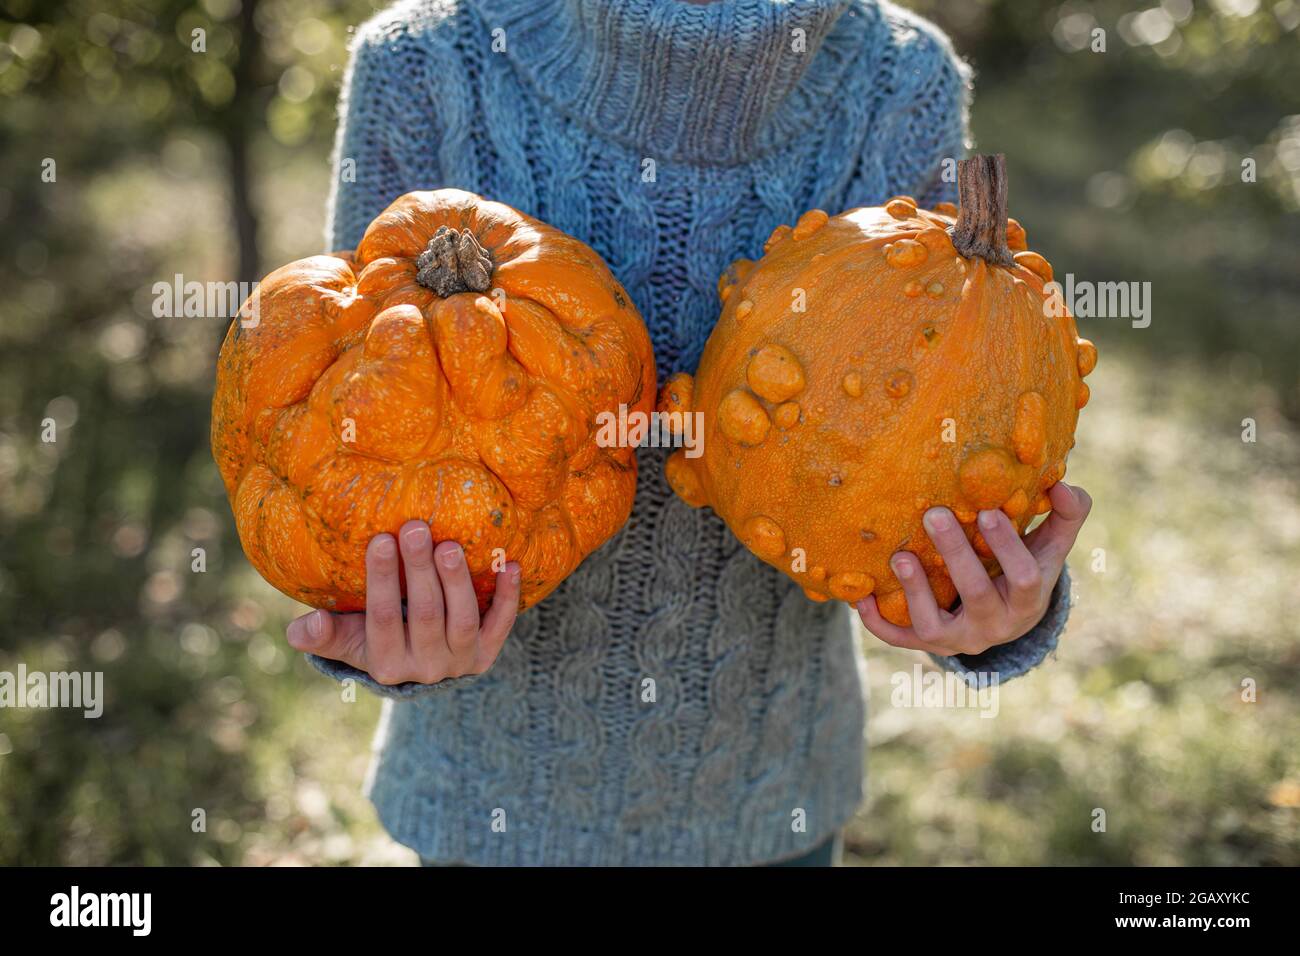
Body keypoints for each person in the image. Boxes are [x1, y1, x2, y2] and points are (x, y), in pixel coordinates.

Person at [284, 0, 1093, 867]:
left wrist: (992, 610)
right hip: (488, 804)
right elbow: (347, 458)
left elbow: (945, 420)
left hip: (769, 803)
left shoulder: (899, 80)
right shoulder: (425, 67)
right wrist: (382, 623)